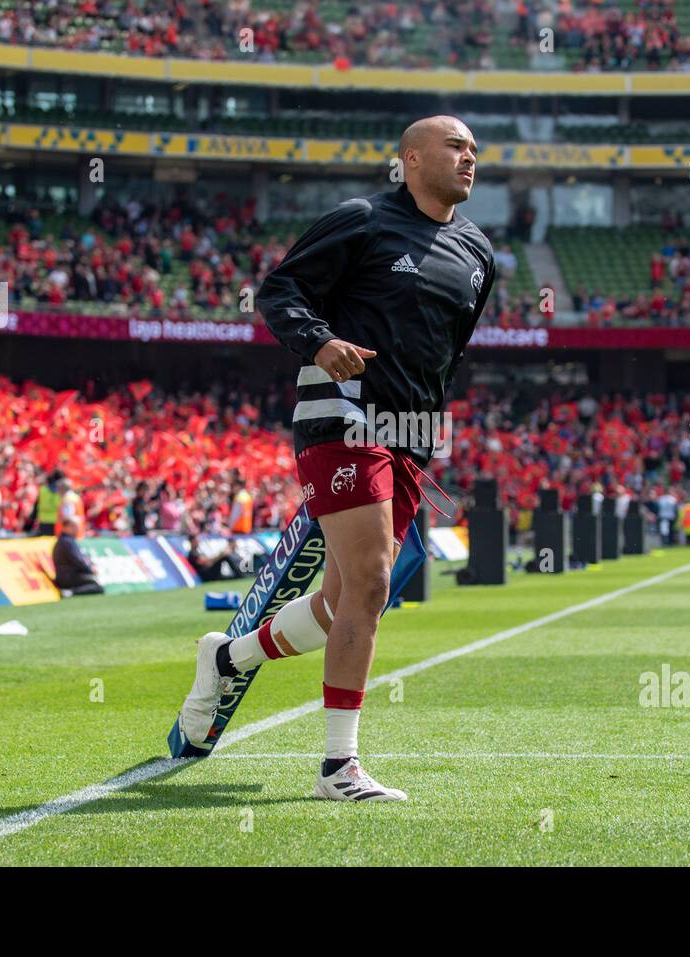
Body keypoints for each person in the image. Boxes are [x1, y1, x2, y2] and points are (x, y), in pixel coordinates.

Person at [182, 115, 495, 802]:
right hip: (342, 415)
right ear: (411, 157)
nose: (470, 157)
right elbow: (279, 291)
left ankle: (225, 656)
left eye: (475, 149)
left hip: (410, 433)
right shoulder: (360, 220)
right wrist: (320, 341)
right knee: (374, 582)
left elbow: (449, 352)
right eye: (456, 146)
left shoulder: (479, 252)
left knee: (340, 599)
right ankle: (338, 768)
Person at [51, 516, 103, 596]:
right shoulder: (67, 542)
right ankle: (71, 592)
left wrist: (90, 565)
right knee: (97, 587)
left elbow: (81, 558)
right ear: (67, 527)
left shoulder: (65, 540)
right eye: (75, 526)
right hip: (68, 578)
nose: (77, 529)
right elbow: (79, 561)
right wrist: (90, 570)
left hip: (66, 577)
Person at [27, 468, 64, 536]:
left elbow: (36, 507)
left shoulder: (43, 489)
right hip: (57, 522)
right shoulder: (61, 491)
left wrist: (30, 521)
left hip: (44, 522)